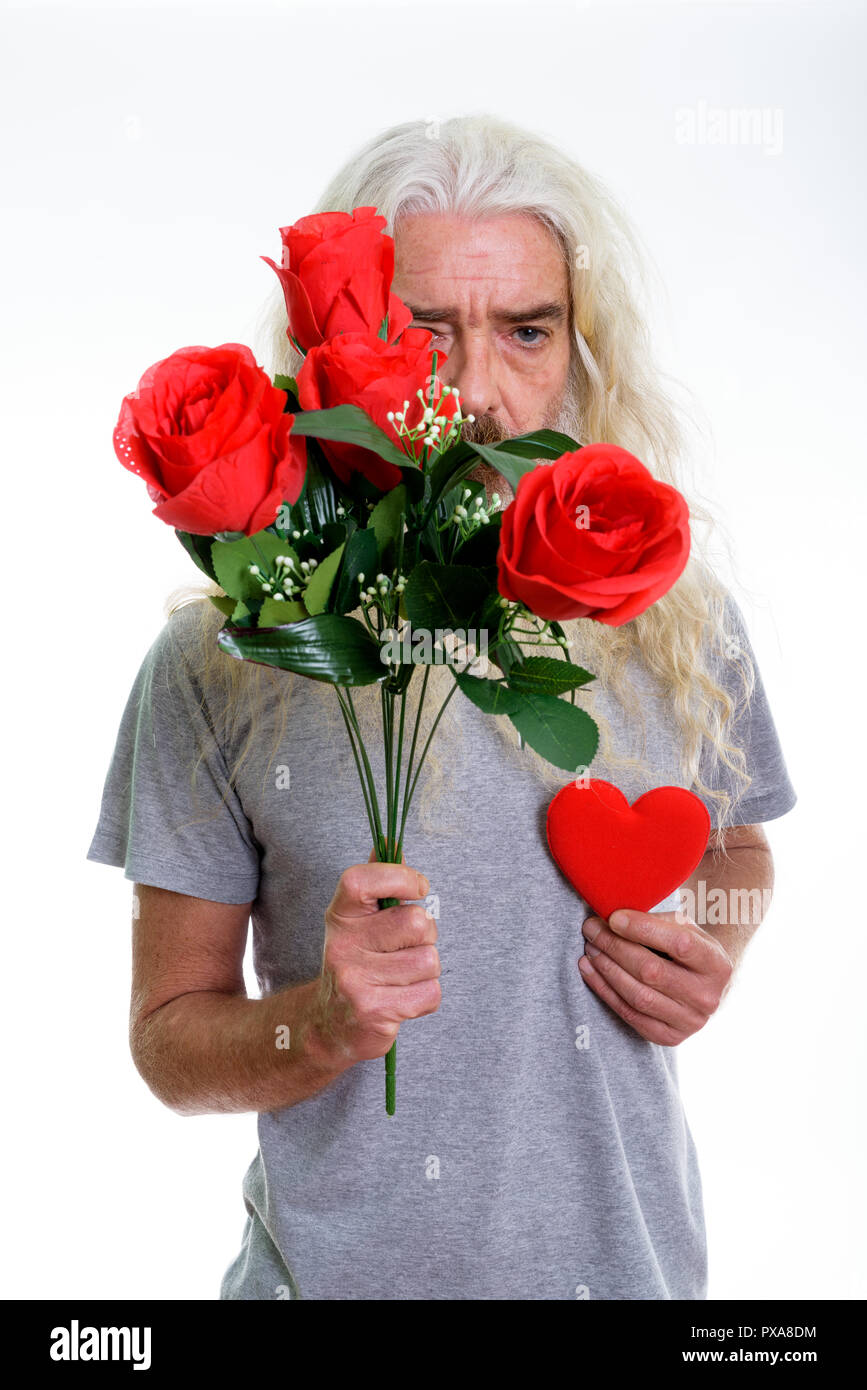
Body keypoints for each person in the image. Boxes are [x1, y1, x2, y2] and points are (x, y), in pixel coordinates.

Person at [87, 115, 796, 1300]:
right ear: (337, 351)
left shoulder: (664, 600)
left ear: (582, 347)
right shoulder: (226, 659)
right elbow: (169, 1038)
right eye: (422, 332)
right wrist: (314, 1024)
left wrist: (709, 945)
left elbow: (736, 845)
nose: (477, 393)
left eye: (529, 330)